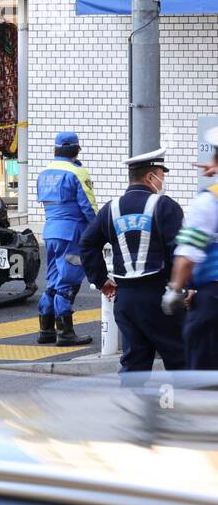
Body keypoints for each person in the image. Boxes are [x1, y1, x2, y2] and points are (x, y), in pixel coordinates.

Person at [80, 149, 185, 372]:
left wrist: (102, 280)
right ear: (150, 177)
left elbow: (87, 244)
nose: (162, 182)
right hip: (159, 296)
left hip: (125, 299)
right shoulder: (165, 206)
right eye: (161, 176)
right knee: (179, 357)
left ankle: (133, 404)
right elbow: (180, 250)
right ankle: (182, 404)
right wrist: (184, 288)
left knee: (135, 361)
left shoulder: (111, 209)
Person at [35, 131, 97, 345]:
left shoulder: (44, 173)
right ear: (76, 149)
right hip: (72, 232)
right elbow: (88, 207)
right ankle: (65, 333)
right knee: (68, 280)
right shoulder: (77, 172)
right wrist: (99, 231)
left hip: (50, 230)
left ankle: (46, 330)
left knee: (52, 278)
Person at [164, 128, 218, 368]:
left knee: (203, 370)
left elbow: (188, 255)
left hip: (212, 299)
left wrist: (175, 290)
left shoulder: (209, 201)